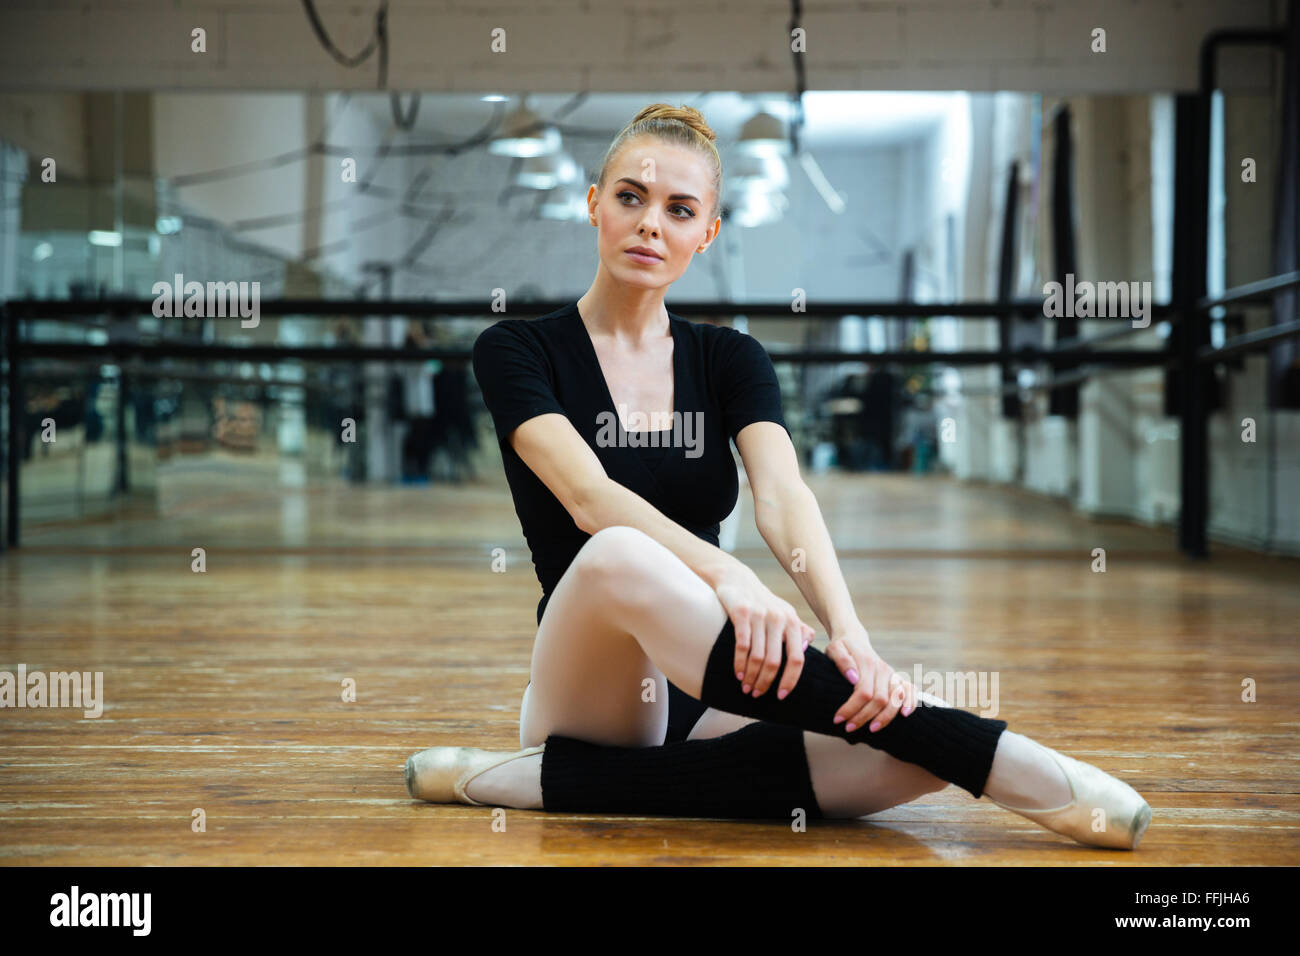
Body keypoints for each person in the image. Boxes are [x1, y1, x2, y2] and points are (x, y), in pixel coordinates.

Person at [405, 104, 1151, 847]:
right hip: (594, 685)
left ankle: (537, 781)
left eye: (680, 209)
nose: (650, 224)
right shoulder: (515, 349)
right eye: (630, 197)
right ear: (595, 203)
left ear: (708, 234)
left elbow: (784, 496)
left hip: (715, 676)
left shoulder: (730, 358)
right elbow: (588, 497)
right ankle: (993, 755)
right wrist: (731, 577)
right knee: (621, 553)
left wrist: (848, 633)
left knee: (907, 760)